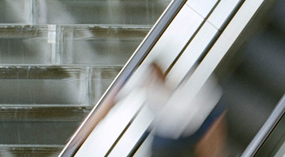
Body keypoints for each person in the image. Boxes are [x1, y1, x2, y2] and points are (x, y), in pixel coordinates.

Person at [75, 61, 228, 157]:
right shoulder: (144, 72)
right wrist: (83, 133)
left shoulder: (191, 75)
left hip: (193, 121)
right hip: (167, 131)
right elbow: (110, 102)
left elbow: (215, 116)